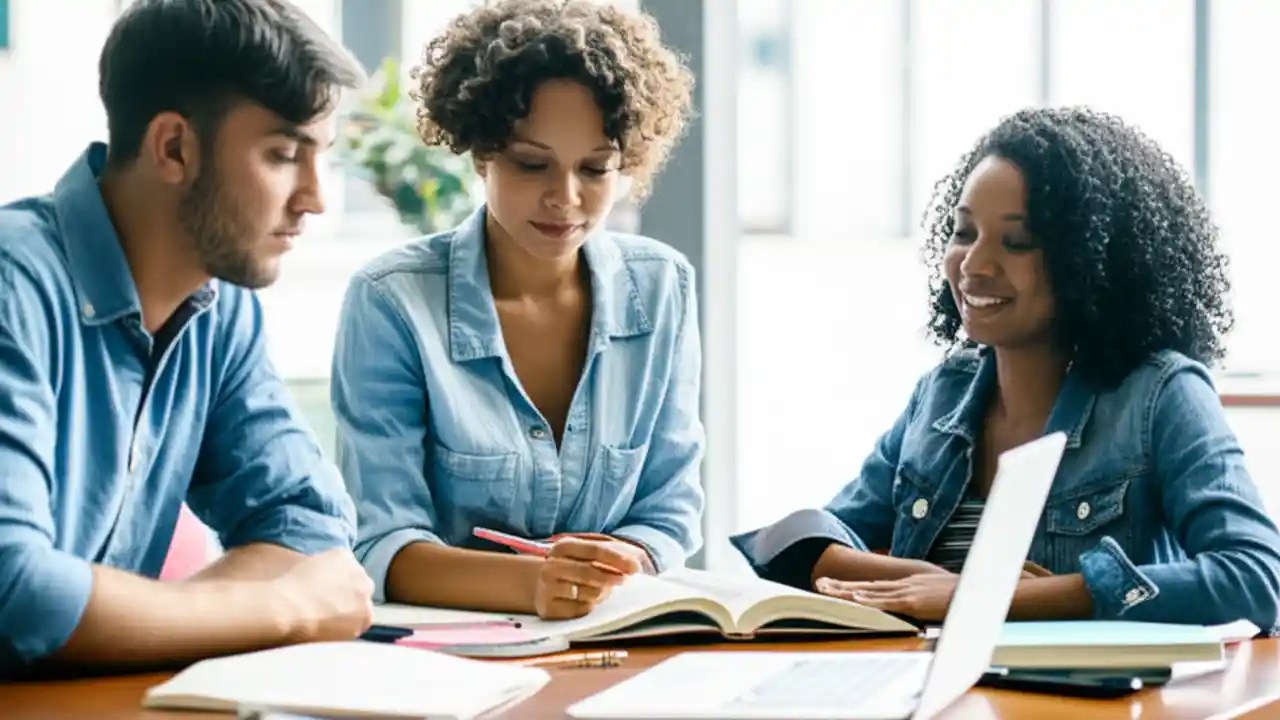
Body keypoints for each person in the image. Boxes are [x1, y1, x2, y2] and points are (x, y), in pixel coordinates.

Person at [732, 107, 1280, 630]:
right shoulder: (943, 395)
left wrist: (1008, 598)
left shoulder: (1160, 395)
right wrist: (944, 583)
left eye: (1016, 242)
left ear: (1090, 261)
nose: (973, 264)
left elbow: (1256, 578)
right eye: (964, 233)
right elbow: (795, 544)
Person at [0, 0, 374, 675]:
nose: (316, 197)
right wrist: (284, 608)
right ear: (173, 146)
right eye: (285, 154)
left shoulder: (220, 307)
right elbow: (15, 590)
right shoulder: (12, 290)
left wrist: (121, 626)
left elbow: (308, 526)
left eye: (324, 158)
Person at [331, 0, 702, 620]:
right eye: (532, 164)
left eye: (595, 168)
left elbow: (670, 509)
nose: (566, 197)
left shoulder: (663, 287)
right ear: (481, 153)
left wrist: (618, 561)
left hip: (612, 641)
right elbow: (380, 542)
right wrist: (535, 585)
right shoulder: (393, 301)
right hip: (447, 665)